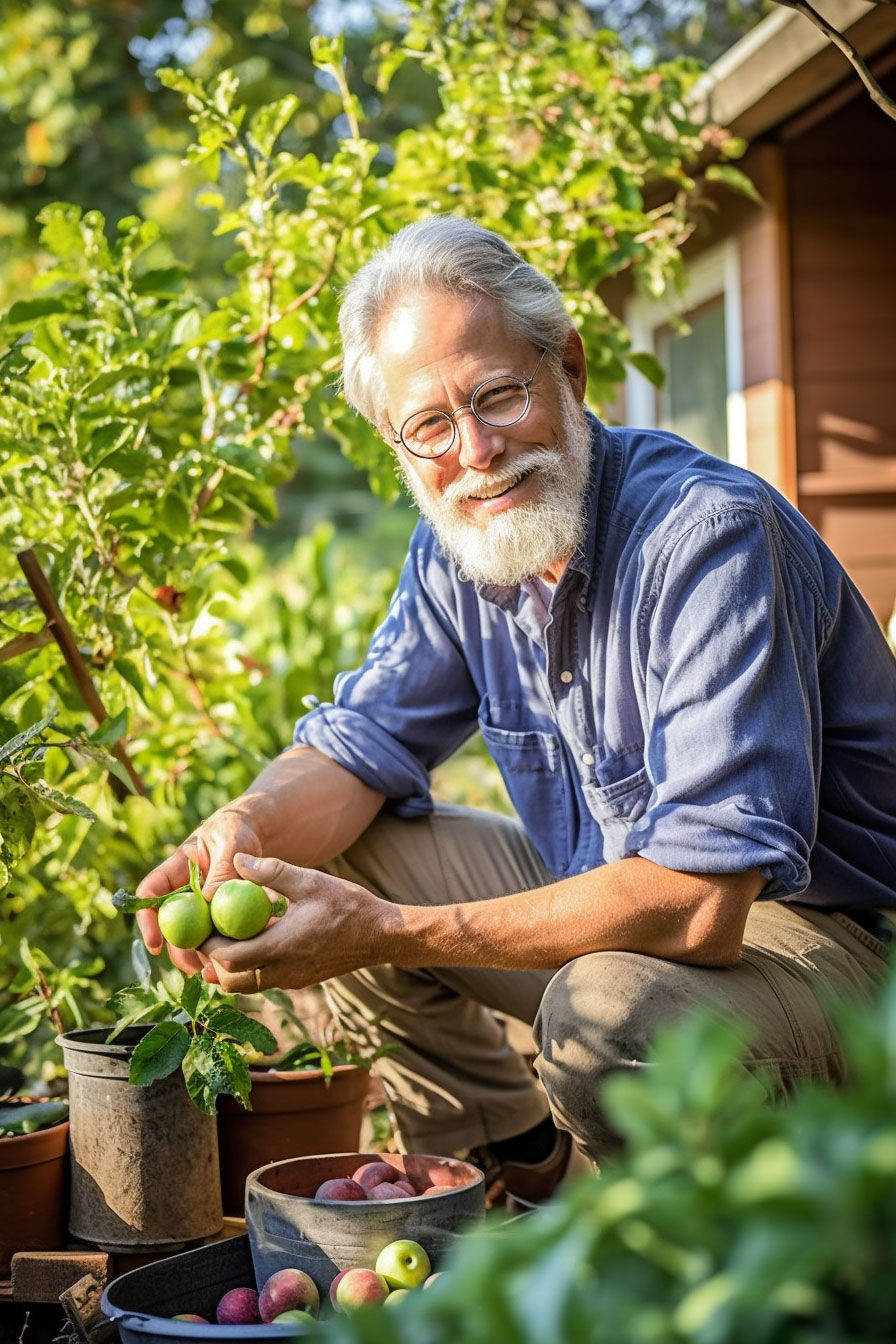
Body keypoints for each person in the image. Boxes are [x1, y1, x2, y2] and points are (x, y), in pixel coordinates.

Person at [137, 215, 896, 1206]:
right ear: (396, 444)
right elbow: (356, 750)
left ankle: (721, 1270)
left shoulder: (705, 537)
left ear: (568, 367)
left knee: (608, 1015)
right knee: (319, 857)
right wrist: (236, 833)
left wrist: (387, 930)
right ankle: (525, 1176)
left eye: (497, 394)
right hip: (638, 905)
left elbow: (703, 903)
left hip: (827, 942)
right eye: (430, 428)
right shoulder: (465, 547)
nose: (476, 452)